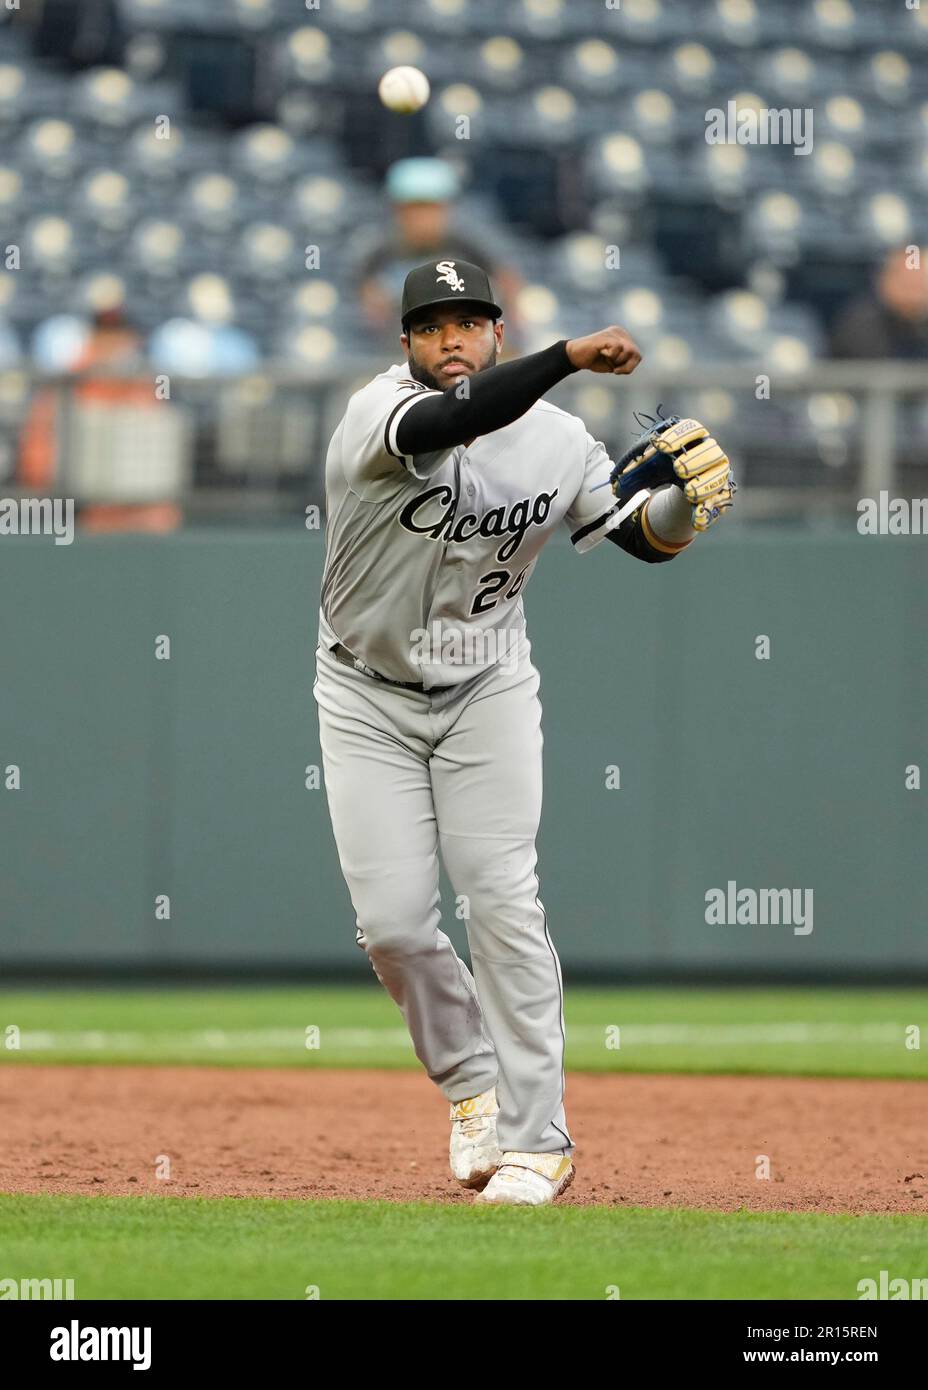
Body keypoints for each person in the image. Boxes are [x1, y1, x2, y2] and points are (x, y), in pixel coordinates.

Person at [313, 259, 733, 1206]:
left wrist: (685, 504)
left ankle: (537, 1141)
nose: (452, 338)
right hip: (364, 691)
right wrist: (570, 354)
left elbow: (639, 535)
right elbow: (453, 421)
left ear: (495, 331)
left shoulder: (558, 439)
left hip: (486, 686)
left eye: (470, 321)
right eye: (432, 326)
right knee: (390, 927)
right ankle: (471, 1085)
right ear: (408, 344)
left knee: (501, 901)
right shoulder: (376, 415)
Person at [352, 158, 522, 345]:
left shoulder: (470, 244)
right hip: (393, 346)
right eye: (414, 209)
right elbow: (360, 295)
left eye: (431, 208)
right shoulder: (376, 248)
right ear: (396, 211)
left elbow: (508, 281)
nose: (423, 218)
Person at [830, 245, 928, 359]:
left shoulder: (918, 322)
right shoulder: (861, 324)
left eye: (920, 281)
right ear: (885, 280)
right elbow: (882, 370)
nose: (917, 290)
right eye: (909, 282)